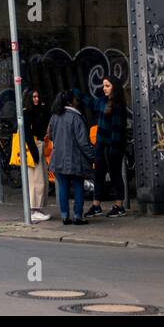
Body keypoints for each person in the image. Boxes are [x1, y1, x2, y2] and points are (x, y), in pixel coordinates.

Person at [47, 89, 95, 225]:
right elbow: (83, 142)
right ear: (71, 101)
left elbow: (50, 135)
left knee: (63, 187)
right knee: (78, 186)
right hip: (75, 160)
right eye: (75, 99)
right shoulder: (76, 117)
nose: (77, 101)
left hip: (58, 159)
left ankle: (64, 216)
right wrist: (92, 156)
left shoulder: (54, 116)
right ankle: (78, 216)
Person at [87, 77, 128, 217]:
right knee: (98, 175)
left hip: (112, 148)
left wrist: (113, 150)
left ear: (114, 87)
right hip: (101, 146)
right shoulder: (103, 101)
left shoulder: (118, 106)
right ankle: (96, 205)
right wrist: (77, 95)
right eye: (104, 85)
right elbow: (92, 104)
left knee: (115, 175)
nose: (104, 88)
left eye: (107, 86)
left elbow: (118, 130)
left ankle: (119, 206)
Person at [22, 88, 51, 222]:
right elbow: (27, 134)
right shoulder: (27, 113)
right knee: (36, 180)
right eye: (34, 97)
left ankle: (37, 208)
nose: (36, 99)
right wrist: (34, 153)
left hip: (38, 145)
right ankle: (35, 209)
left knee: (41, 179)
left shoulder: (37, 111)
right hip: (34, 147)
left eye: (37, 96)